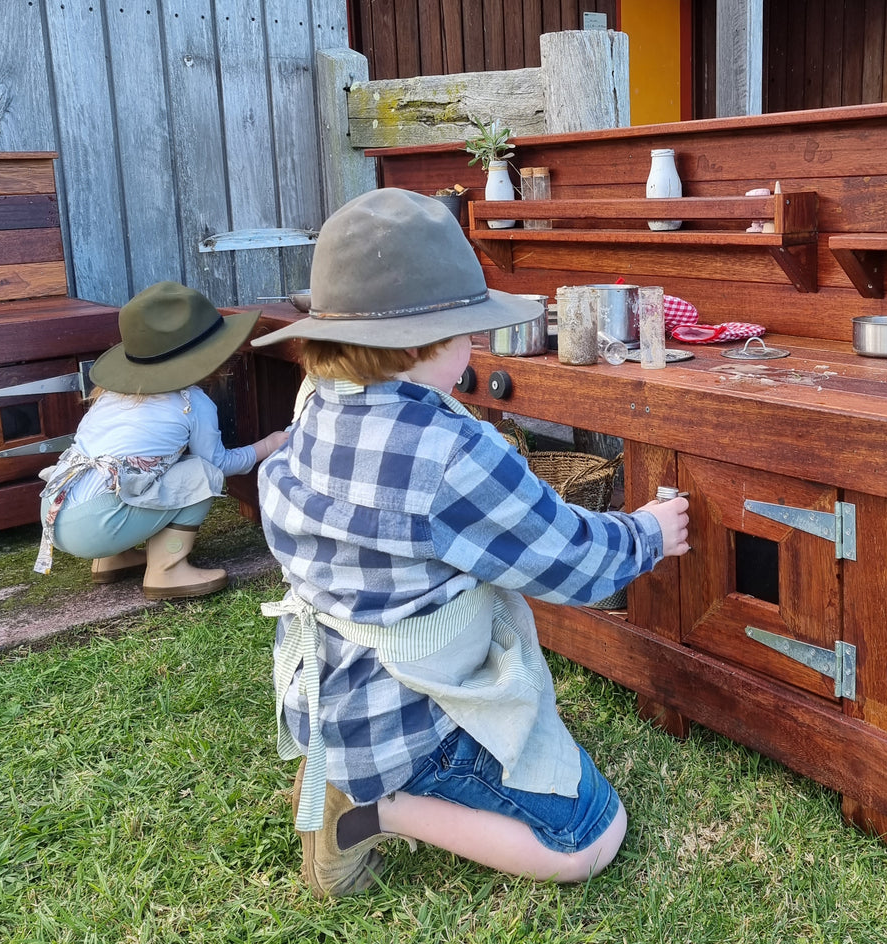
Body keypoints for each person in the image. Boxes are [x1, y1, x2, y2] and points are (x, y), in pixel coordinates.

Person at [253, 188, 690, 898]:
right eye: (467, 332)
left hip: (328, 687)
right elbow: (567, 558)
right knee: (587, 837)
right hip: (411, 709)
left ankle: (348, 770)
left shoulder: (314, 406)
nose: (473, 349)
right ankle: (374, 807)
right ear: (422, 341)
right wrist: (646, 533)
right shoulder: (450, 451)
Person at [37, 282, 289, 598]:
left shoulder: (112, 394)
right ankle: (167, 571)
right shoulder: (192, 402)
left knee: (139, 470)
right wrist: (268, 445)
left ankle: (113, 558)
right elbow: (217, 464)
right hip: (98, 523)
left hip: (55, 511)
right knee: (201, 473)